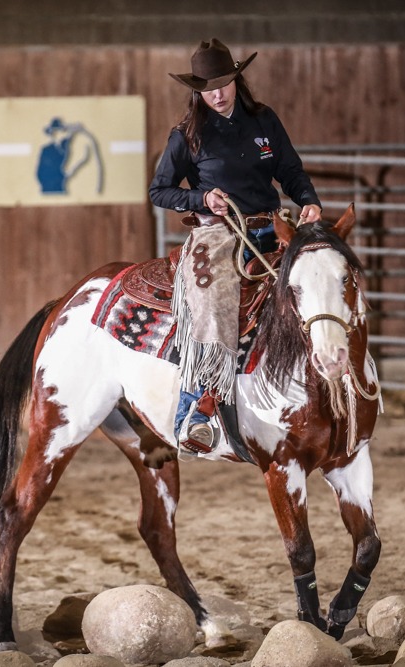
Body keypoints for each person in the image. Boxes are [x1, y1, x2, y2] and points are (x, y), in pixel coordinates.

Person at [149, 38, 323, 454]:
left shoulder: (264, 121)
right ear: (198, 90)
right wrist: (200, 199)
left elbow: (290, 170)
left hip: (269, 223)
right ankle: (199, 408)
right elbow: (160, 191)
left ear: (235, 79)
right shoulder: (188, 134)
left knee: (319, 276)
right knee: (212, 296)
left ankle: (322, 380)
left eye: (224, 82)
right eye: (208, 87)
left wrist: (309, 200)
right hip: (219, 230)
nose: (217, 92)